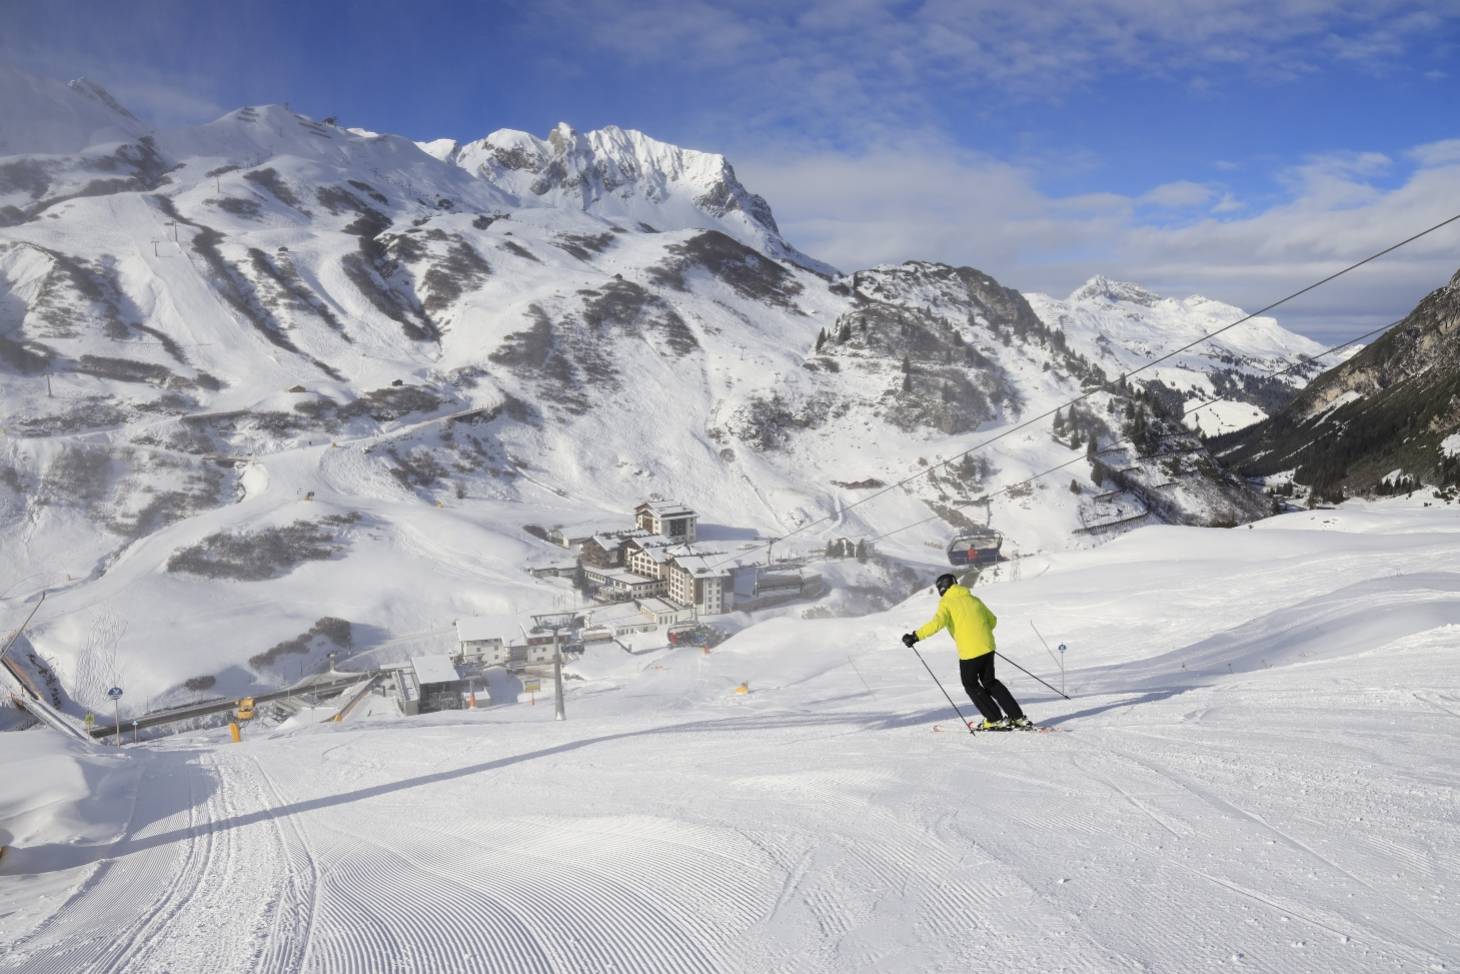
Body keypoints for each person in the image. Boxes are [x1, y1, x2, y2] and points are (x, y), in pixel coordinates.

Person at [902, 573, 1031, 731]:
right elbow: (992, 620)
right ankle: (1017, 717)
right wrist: (980, 635)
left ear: (942, 588)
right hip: (987, 646)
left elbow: (937, 623)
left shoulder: (946, 602)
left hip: (970, 652)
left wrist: (915, 636)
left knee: (970, 684)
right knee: (991, 682)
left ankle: (995, 719)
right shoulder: (973, 599)